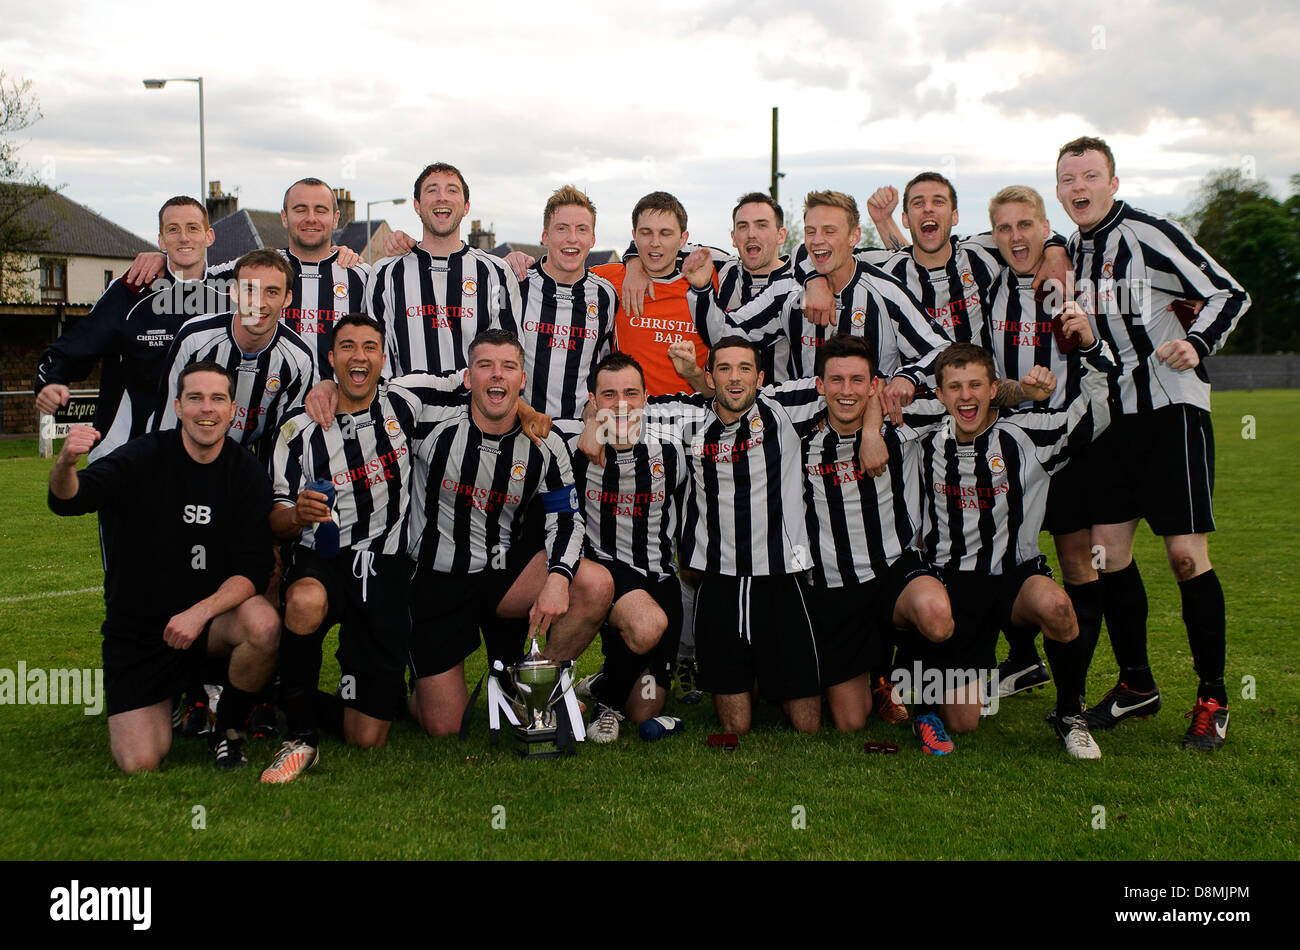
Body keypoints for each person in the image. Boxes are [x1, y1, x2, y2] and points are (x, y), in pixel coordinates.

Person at [1054, 136, 1250, 750]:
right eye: (1067, 179)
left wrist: (1198, 345)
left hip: (1171, 413)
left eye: (1089, 176)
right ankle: (1137, 683)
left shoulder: (1148, 234)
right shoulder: (1073, 255)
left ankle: (1214, 695)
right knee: (1106, 554)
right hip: (1114, 422)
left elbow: (1228, 291)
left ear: (1113, 182)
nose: (1078, 188)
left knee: (1186, 557)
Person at [47, 361, 280, 772]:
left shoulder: (245, 471)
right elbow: (69, 500)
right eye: (195, 398)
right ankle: (174, 696)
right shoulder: (143, 456)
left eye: (216, 399)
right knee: (140, 761)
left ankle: (225, 727)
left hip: (207, 625)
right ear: (177, 406)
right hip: (141, 631)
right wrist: (66, 464)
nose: (206, 409)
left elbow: (254, 569)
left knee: (262, 624)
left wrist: (200, 613)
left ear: (231, 411)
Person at [265, 314, 468, 782]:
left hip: (386, 568)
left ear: (383, 357)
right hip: (325, 559)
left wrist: (526, 412)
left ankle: (279, 689)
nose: (360, 356)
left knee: (367, 737)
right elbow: (275, 519)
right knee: (305, 599)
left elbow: (479, 382)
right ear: (331, 358)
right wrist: (296, 514)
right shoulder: (298, 427)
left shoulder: (404, 400)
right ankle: (299, 737)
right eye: (348, 347)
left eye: (370, 347)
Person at [895, 333, 1115, 757]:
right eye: (955, 387)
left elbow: (1094, 414)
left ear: (995, 389)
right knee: (964, 721)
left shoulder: (1028, 434)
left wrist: (1090, 346)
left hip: (1015, 578)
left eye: (976, 385)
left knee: (1057, 606)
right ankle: (914, 682)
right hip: (951, 583)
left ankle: (1071, 715)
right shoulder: (923, 438)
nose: (966, 396)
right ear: (939, 394)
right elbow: (874, 407)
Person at [405, 329, 613, 737]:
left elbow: (566, 519)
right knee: (444, 727)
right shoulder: (430, 414)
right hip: (438, 579)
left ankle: (532, 691)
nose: (496, 376)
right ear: (468, 377)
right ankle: (413, 682)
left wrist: (557, 579)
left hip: (504, 575)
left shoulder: (545, 442)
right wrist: (326, 385)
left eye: (508, 368)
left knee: (594, 584)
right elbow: (371, 388)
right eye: (485, 366)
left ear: (522, 378)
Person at [800, 334, 954, 731]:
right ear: (820, 386)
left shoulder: (905, 418)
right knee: (850, 722)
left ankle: (918, 701)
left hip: (894, 570)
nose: (846, 391)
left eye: (857, 381)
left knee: (936, 617)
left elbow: (970, 396)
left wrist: (1023, 390)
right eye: (836, 380)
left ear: (875, 386)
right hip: (836, 584)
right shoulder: (798, 435)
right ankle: (877, 677)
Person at [556, 352, 690, 742]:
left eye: (631, 393)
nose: (621, 404)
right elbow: (525, 416)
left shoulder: (671, 446)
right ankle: (604, 709)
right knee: (648, 625)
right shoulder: (571, 443)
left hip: (661, 579)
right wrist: (587, 424)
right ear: (593, 400)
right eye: (609, 395)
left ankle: (603, 683)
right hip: (608, 576)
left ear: (647, 396)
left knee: (645, 708)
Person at [35, 196, 231, 461]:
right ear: (161, 241)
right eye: (173, 229)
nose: (184, 237)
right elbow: (73, 346)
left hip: (203, 455)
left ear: (209, 236)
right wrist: (52, 381)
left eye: (192, 228)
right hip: (126, 453)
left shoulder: (232, 296)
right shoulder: (129, 290)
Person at [125, 178, 368, 381]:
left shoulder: (361, 276)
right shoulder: (256, 266)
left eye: (320, 210)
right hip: (270, 419)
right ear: (285, 217)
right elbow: (197, 279)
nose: (311, 218)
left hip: (338, 415)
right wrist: (165, 259)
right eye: (300, 209)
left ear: (336, 219)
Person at [154, 249, 316, 461]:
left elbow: (282, 441)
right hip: (183, 460)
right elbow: (166, 421)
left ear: (287, 299)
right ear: (233, 292)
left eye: (272, 292)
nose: (259, 302)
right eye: (250, 290)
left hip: (242, 469)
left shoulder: (298, 359)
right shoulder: (194, 338)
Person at [368, 162, 522, 376]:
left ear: (466, 206)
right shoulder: (385, 274)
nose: (442, 197)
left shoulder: (498, 274)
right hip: (406, 406)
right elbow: (378, 357)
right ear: (417, 205)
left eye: (452, 190)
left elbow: (508, 354)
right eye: (432, 190)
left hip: (474, 408)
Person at [515, 185, 619, 418]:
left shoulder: (606, 296)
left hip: (579, 432)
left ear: (592, 239)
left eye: (581, 229)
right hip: (519, 428)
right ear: (545, 236)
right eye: (562, 228)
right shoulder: (518, 285)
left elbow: (605, 369)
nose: (572, 238)